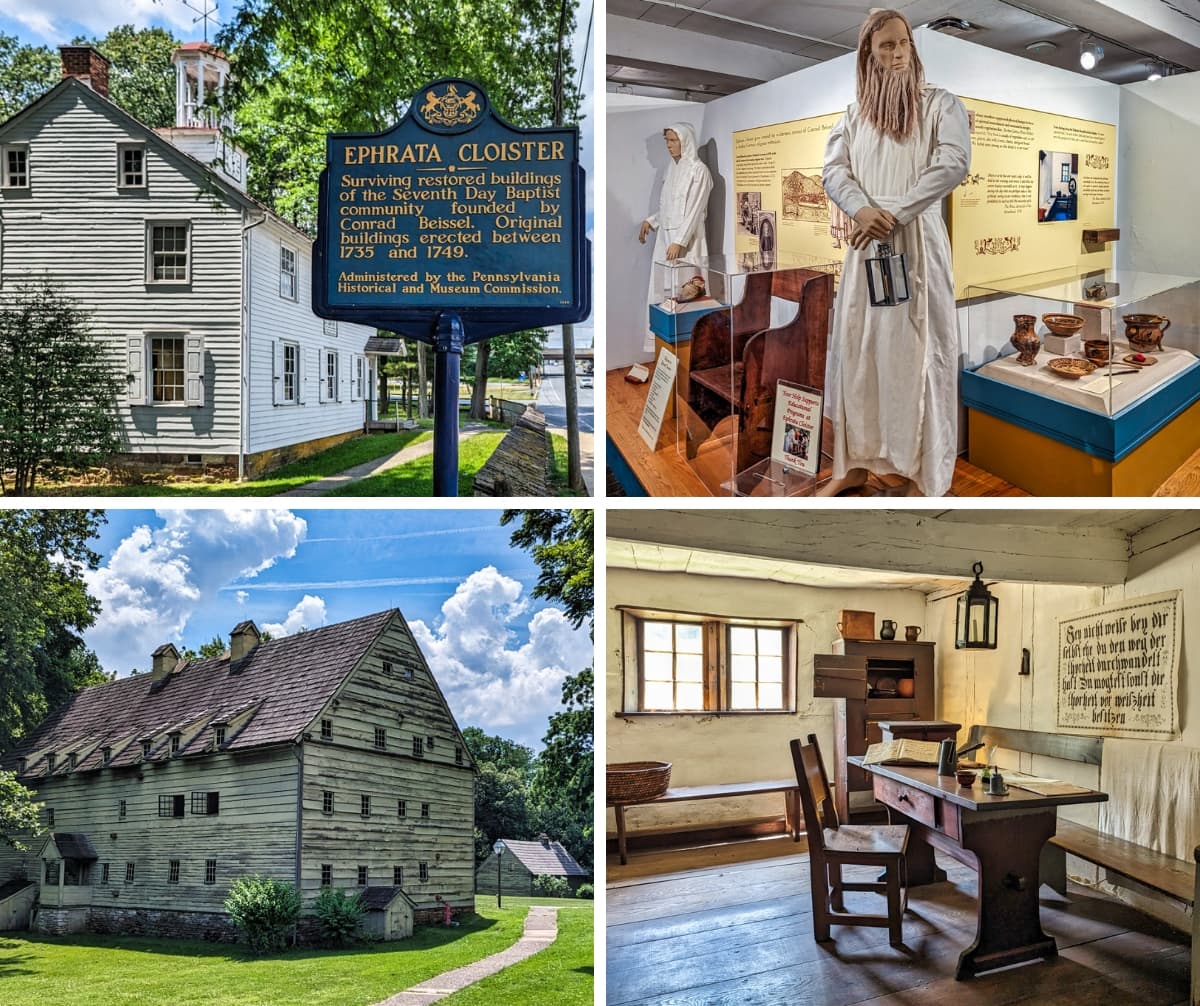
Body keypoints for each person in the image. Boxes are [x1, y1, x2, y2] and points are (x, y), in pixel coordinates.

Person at [819, 9, 970, 496]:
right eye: (886, 45)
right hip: (867, 249)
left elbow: (953, 162)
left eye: (903, 42)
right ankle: (856, 463)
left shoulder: (938, 104)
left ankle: (919, 472)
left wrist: (895, 211)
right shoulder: (854, 115)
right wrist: (862, 210)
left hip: (917, 246)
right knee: (861, 353)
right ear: (868, 52)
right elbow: (834, 171)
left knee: (918, 356)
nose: (898, 52)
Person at [638, 123, 713, 351]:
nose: (669, 146)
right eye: (667, 141)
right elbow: (670, 206)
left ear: (685, 140)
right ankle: (664, 346)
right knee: (662, 291)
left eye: (673, 140)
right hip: (666, 237)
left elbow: (695, 209)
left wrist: (680, 241)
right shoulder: (671, 170)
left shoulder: (699, 170)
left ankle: (690, 348)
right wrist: (652, 221)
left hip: (688, 242)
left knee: (688, 291)